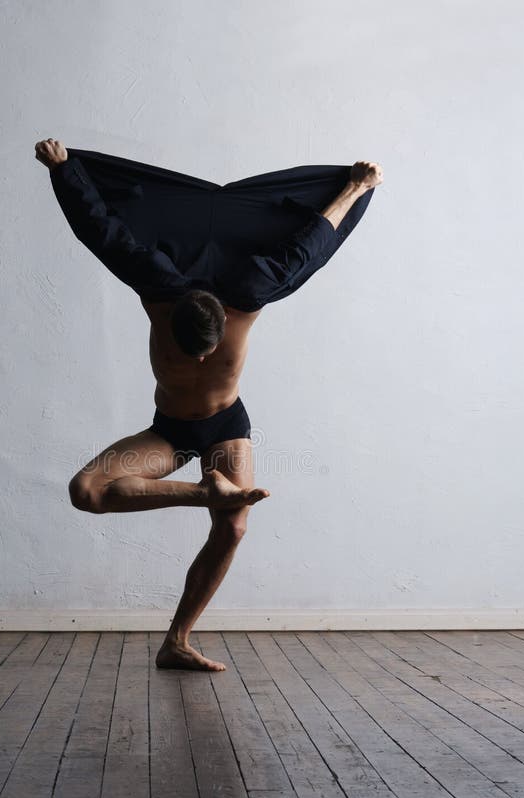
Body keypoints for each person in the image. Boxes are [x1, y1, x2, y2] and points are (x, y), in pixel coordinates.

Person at [35, 138, 383, 671]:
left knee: (236, 526)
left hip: (225, 424)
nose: (197, 361)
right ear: (166, 313)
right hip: (171, 430)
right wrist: (62, 170)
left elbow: (313, 242)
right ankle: (205, 494)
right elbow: (99, 228)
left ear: (226, 322)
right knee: (85, 492)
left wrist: (356, 187)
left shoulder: (253, 286)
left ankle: (177, 639)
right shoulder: (153, 280)